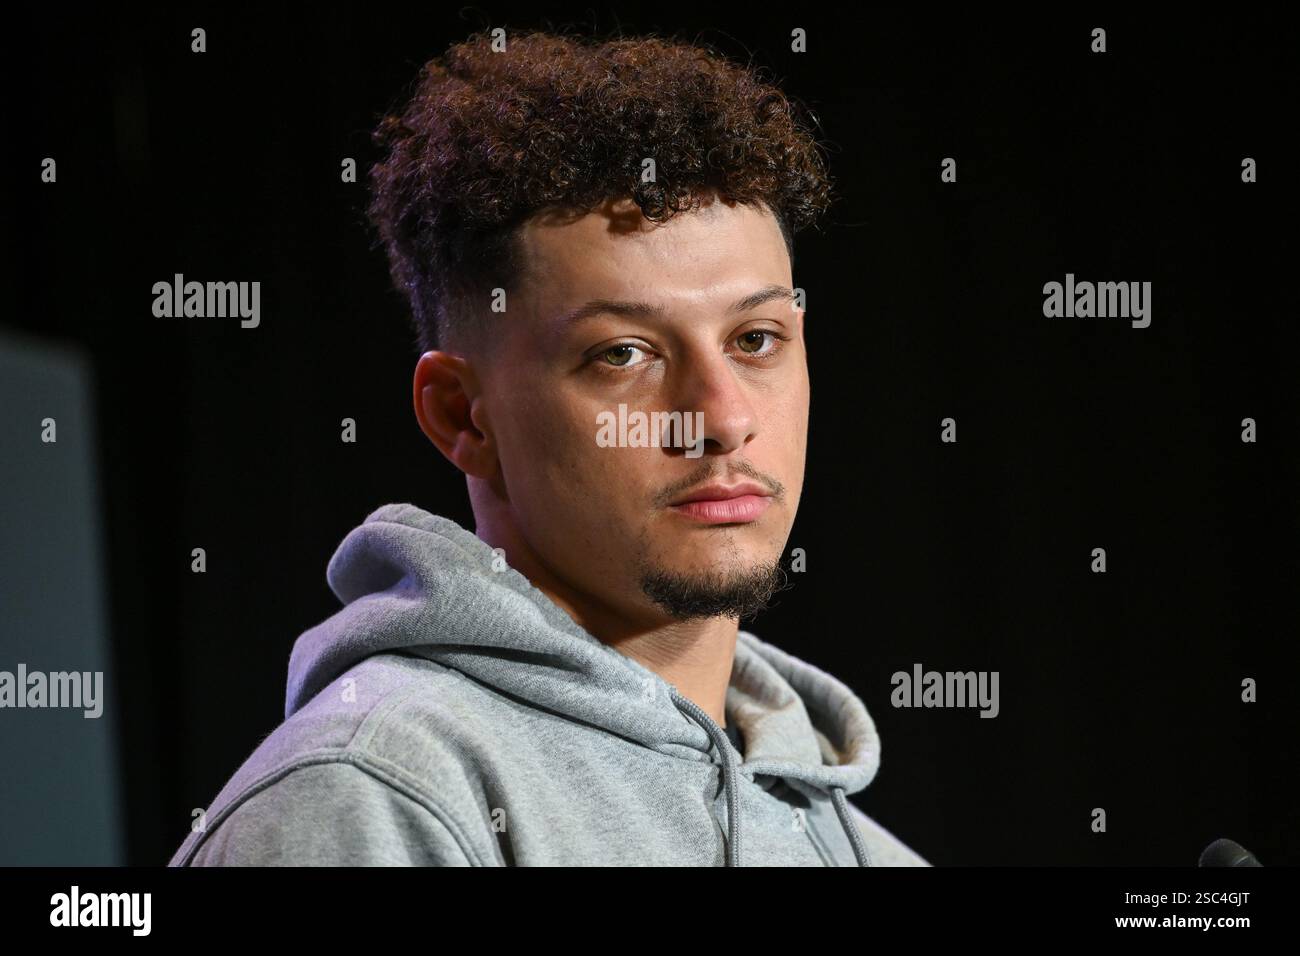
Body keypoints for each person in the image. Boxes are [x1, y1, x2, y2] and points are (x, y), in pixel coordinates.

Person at [168, 28, 928, 867]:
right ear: (463, 415)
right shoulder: (363, 799)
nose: (721, 419)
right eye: (624, 354)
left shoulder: (870, 854)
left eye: (755, 339)